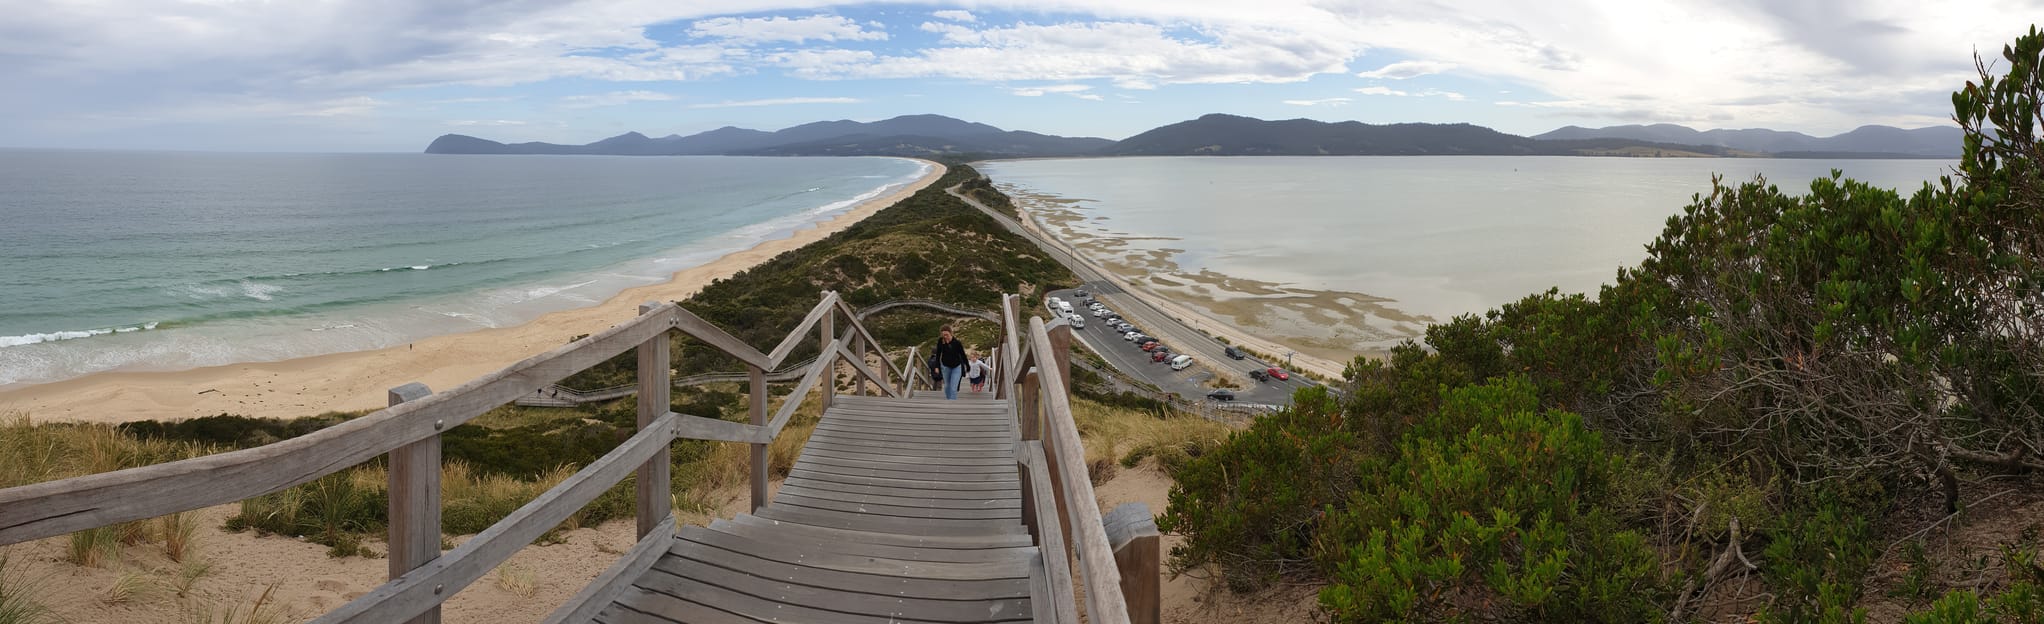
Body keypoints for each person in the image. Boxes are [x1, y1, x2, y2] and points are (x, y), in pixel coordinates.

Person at [933, 325, 968, 400]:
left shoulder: (957, 343)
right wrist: (937, 366)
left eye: (947, 335)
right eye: (943, 335)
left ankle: (952, 403)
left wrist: (967, 366)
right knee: (947, 386)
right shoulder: (940, 341)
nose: (945, 336)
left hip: (956, 367)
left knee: (953, 387)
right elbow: (938, 355)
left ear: (951, 333)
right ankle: (949, 400)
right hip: (945, 367)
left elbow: (963, 355)